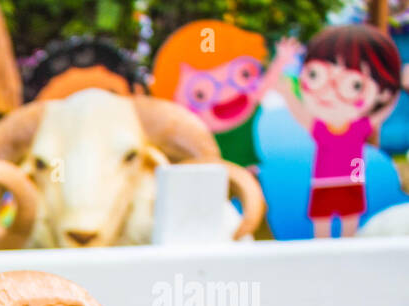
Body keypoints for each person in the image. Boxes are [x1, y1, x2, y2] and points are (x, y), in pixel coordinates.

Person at [273, 26, 403, 238]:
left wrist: (398, 90)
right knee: (321, 227)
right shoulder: (320, 128)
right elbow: (298, 111)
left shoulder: (358, 128)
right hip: (323, 183)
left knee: (349, 227)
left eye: (352, 84)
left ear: (381, 92)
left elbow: (385, 108)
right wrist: (287, 91)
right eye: (316, 75)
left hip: (352, 181)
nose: (328, 92)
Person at [151, 20, 290, 171]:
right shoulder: (191, 127)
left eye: (243, 74)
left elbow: (265, 86)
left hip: (246, 173)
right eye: (200, 94)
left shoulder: (251, 100)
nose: (225, 93)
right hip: (208, 174)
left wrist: (281, 61)